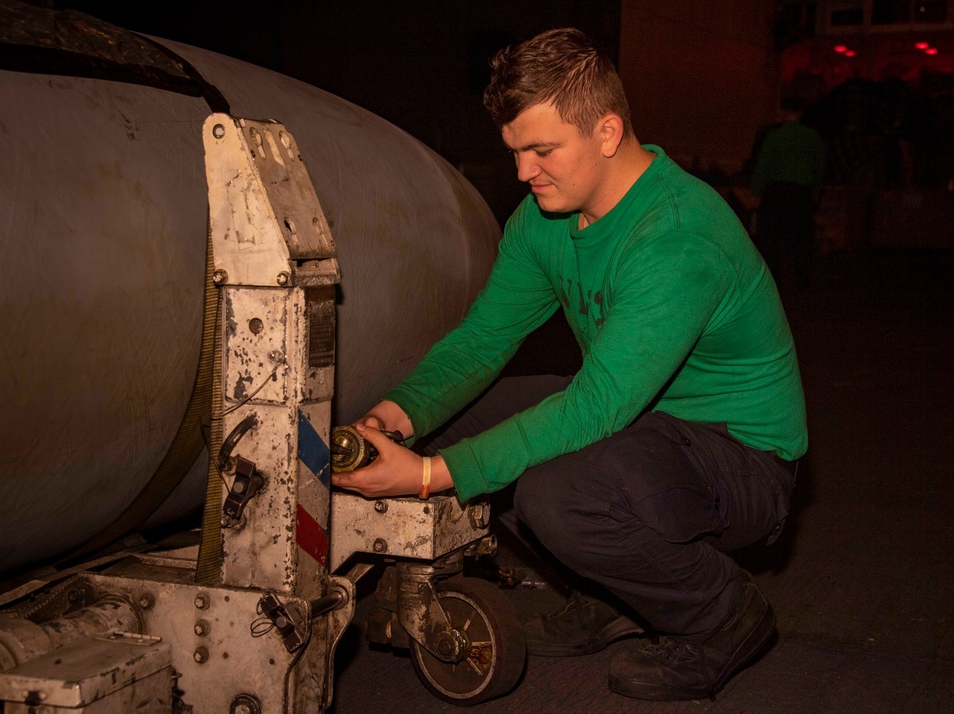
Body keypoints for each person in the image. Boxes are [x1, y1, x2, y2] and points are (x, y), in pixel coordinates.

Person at [332, 27, 806, 702]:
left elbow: (595, 408)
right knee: (458, 432)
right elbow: (483, 341)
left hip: (743, 457)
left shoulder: (676, 238)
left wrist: (433, 477)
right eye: (516, 152)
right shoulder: (545, 220)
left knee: (556, 493)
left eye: (542, 150)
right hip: (642, 420)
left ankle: (723, 617)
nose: (525, 172)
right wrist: (395, 419)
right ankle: (613, 592)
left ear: (607, 132)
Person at [751, 97, 826, 289]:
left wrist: (757, 191)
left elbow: (763, 166)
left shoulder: (775, 136)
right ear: (801, 112)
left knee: (770, 237)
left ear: (784, 111)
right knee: (800, 236)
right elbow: (820, 167)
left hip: (776, 192)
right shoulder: (812, 137)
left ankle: (774, 277)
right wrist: (816, 190)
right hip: (801, 192)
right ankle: (801, 277)